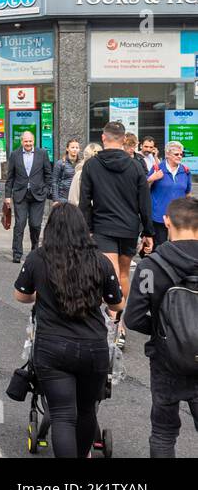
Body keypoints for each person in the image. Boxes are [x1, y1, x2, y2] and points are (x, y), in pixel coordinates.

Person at [14, 204, 124, 458]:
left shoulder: (38, 258)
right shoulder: (100, 260)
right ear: (83, 229)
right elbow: (116, 303)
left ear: (50, 229)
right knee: (86, 411)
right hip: (93, 346)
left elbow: (21, 295)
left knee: (63, 415)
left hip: (52, 346)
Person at [125, 195, 198, 457]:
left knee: (164, 432)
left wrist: (163, 331)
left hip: (167, 360)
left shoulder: (149, 266)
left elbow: (132, 318)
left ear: (167, 221)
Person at [80, 121, 152, 349]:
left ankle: (112, 322)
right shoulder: (136, 166)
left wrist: (86, 228)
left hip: (103, 227)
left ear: (103, 138)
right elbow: (144, 202)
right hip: (129, 228)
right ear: (124, 140)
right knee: (122, 274)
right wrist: (148, 232)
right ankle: (117, 323)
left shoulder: (92, 165)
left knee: (107, 275)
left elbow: (85, 201)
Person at [5, 130, 53, 264]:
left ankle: (34, 250)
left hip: (38, 195)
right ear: (21, 142)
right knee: (20, 224)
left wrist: (47, 190)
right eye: (25, 141)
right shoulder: (15, 155)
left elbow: (48, 174)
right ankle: (17, 253)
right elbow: (10, 177)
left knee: (35, 224)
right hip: (20, 195)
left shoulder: (42, 154)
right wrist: (7, 196)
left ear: (34, 141)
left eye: (30, 141)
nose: (28, 143)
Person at [146, 141, 191, 245]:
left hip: (178, 216)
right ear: (167, 155)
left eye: (181, 154)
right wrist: (151, 179)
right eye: (176, 154)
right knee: (159, 246)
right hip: (159, 216)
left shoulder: (185, 171)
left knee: (178, 245)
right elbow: (145, 189)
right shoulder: (157, 169)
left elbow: (187, 193)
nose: (179, 156)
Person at [52, 139, 80, 204]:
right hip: (63, 198)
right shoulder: (60, 163)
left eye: (77, 147)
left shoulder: (81, 164)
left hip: (76, 198)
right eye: (72, 147)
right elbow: (54, 182)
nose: (75, 149)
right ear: (67, 149)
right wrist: (56, 200)